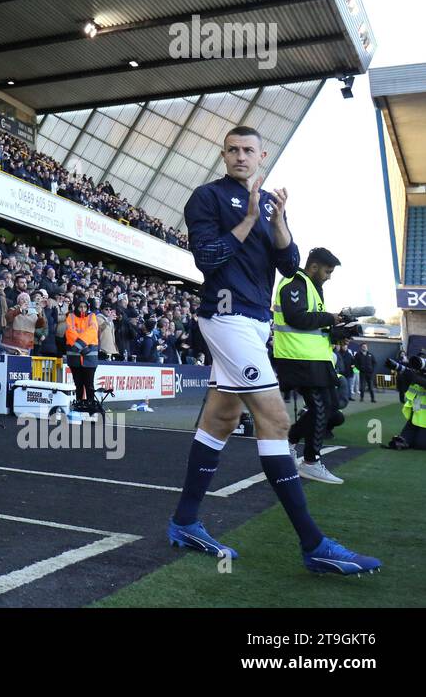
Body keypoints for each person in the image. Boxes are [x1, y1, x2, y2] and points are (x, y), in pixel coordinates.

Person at [167, 125, 378, 574]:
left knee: (222, 419)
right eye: (233, 150)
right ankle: (313, 544)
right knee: (276, 419)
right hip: (226, 317)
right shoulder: (207, 198)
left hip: (253, 322)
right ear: (223, 154)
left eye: (249, 150)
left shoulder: (268, 204)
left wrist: (278, 221)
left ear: (262, 155)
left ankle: (185, 521)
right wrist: (246, 222)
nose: (241, 156)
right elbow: (207, 259)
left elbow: (287, 264)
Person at [275, 247, 356, 484]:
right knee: (320, 407)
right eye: (327, 271)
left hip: (314, 359)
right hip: (298, 358)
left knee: (329, 410)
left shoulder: (312, 287)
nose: (329, 276)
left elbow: (312, 325)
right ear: (313, 267)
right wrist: (331, 318)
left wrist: (336, 332)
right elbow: (296, 318)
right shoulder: (294, 282)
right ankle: (310, 461)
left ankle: (289, 443)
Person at [64, 297, 100, 414]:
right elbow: (70, 332)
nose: (83, 309)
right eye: (80, 306)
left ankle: (91, 408)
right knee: (78, 384)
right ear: (76, 307)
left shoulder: (92, 316)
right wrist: (83, 347)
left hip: (89, 358)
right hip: (75, 359)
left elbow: (92, 331)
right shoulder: (71, 316)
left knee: (89, 385)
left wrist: (79, 346)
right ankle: (79, 407)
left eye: (85, 306)